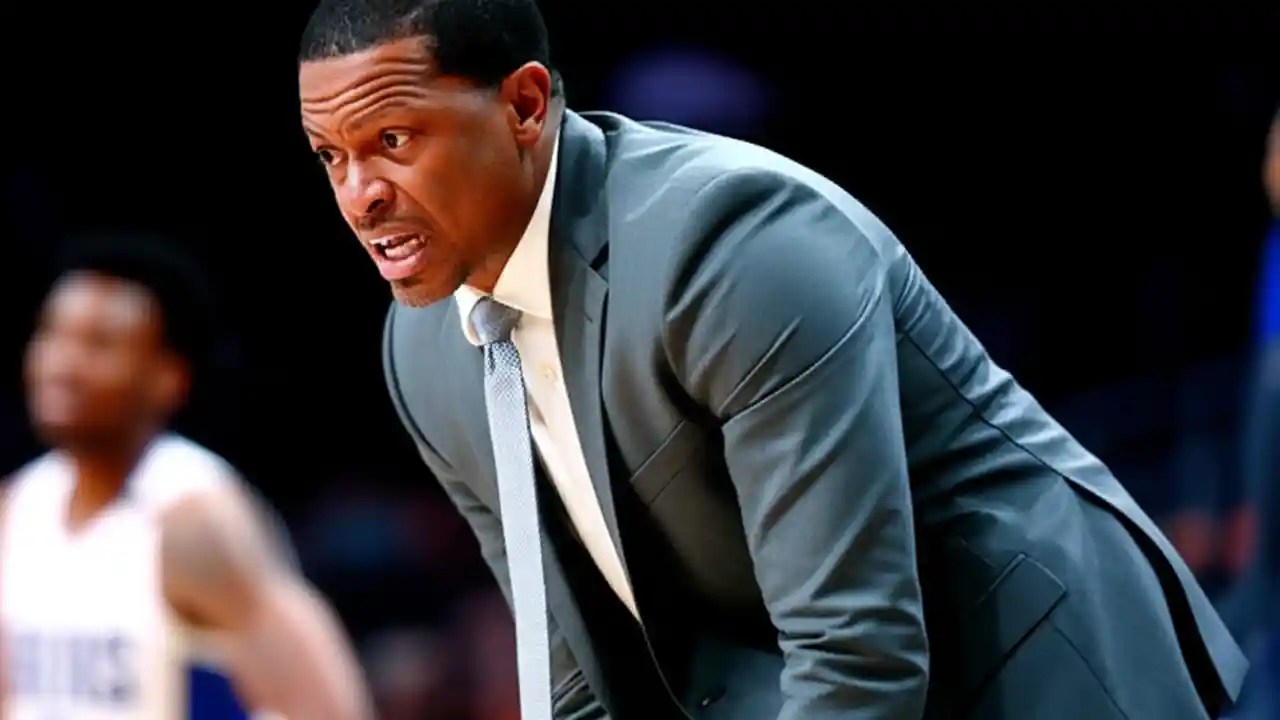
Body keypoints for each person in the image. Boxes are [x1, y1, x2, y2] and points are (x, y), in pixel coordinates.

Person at [296, 1, 1249, 718]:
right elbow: (575, 670)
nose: (360, 195)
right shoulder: (425, 349)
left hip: (1034, 667)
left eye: (393, 140)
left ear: (525, 105)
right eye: (329, 156)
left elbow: (856, 642)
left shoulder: (729, 243)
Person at [0, 234, 373, 719]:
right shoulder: (21, 505)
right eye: (53, 334)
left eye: (99, 343)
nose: (63, 363)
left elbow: (329, 707)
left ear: (167, 378)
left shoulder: (192, 517)